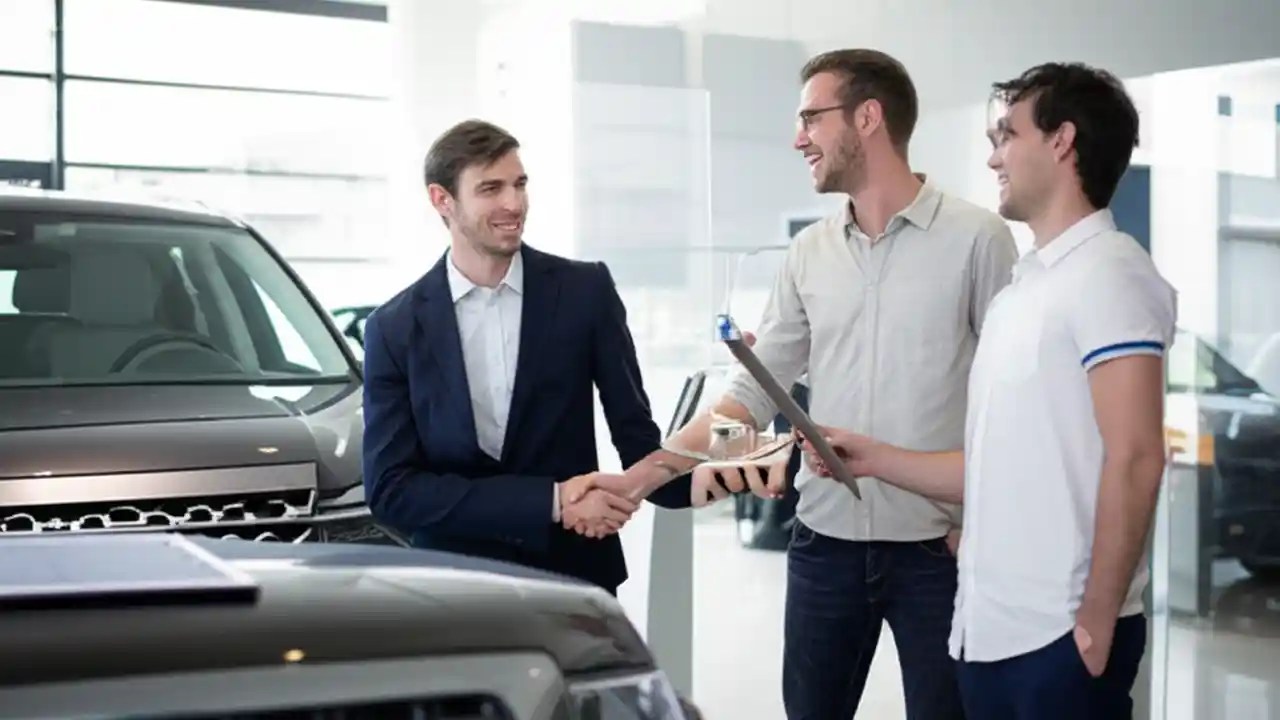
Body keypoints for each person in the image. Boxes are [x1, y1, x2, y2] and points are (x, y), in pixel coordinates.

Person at [575, 49, 1018, 719]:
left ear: (868, 118)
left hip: (938, 553)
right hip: (824, 546)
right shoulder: (808, 254)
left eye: (812, 117)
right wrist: (639, 480)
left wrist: (979, 524)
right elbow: (750, 402)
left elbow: (1007, 404)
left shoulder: (978, 240)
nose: (797, 137)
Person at [804, 62, 1176, 719]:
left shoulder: (1112, 274)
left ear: (1062, 141)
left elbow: (1139, 455)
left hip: (1059, 636)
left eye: (1007, 134)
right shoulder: (1027, 288)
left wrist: (1095, 616)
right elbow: (996, 468)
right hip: (988, 633)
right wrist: (874, 457)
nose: (993, 154)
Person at [361, 119, 690, 596]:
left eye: (519, 184)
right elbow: (391, 490)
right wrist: (553, 502)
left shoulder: (585, 292)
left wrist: (728, 460)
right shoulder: (394, 328)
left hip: (575, 573)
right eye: (491, 189)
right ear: (442, 200)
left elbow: (638, 439)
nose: (513, 204)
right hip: (453, 585)